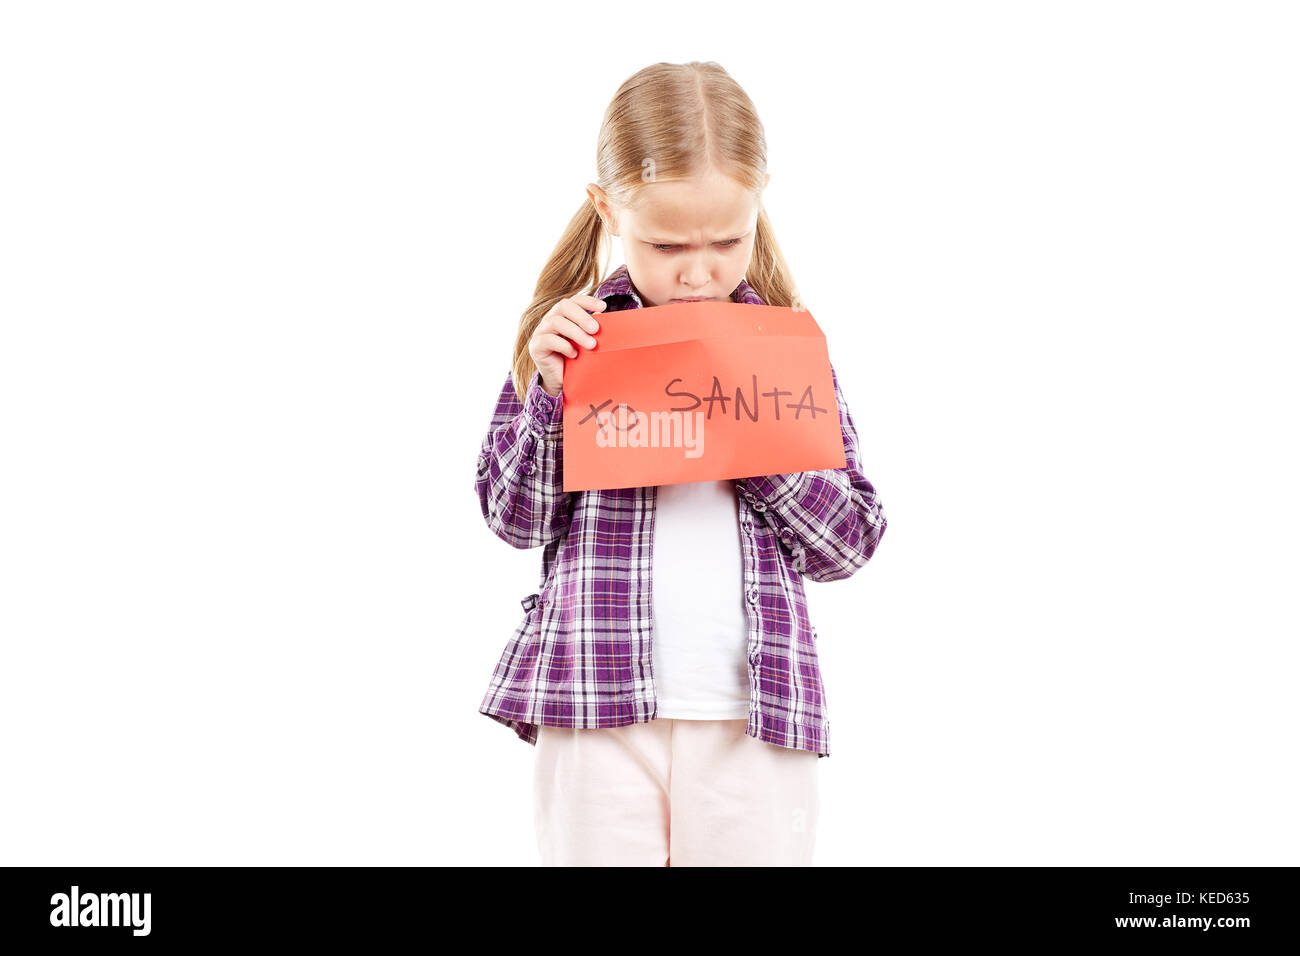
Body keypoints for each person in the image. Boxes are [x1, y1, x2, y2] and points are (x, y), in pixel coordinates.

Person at [472, 61, 887, 866]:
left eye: (727, 241)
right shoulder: (573, 341)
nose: (699, 272)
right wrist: (553, 395)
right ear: (608, 210)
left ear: (760, 203)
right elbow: (510, 520)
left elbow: (851, 544)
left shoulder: (787, 351)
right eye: (666, 245)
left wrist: (749, 433)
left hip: (754, 712)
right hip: (593, 700)